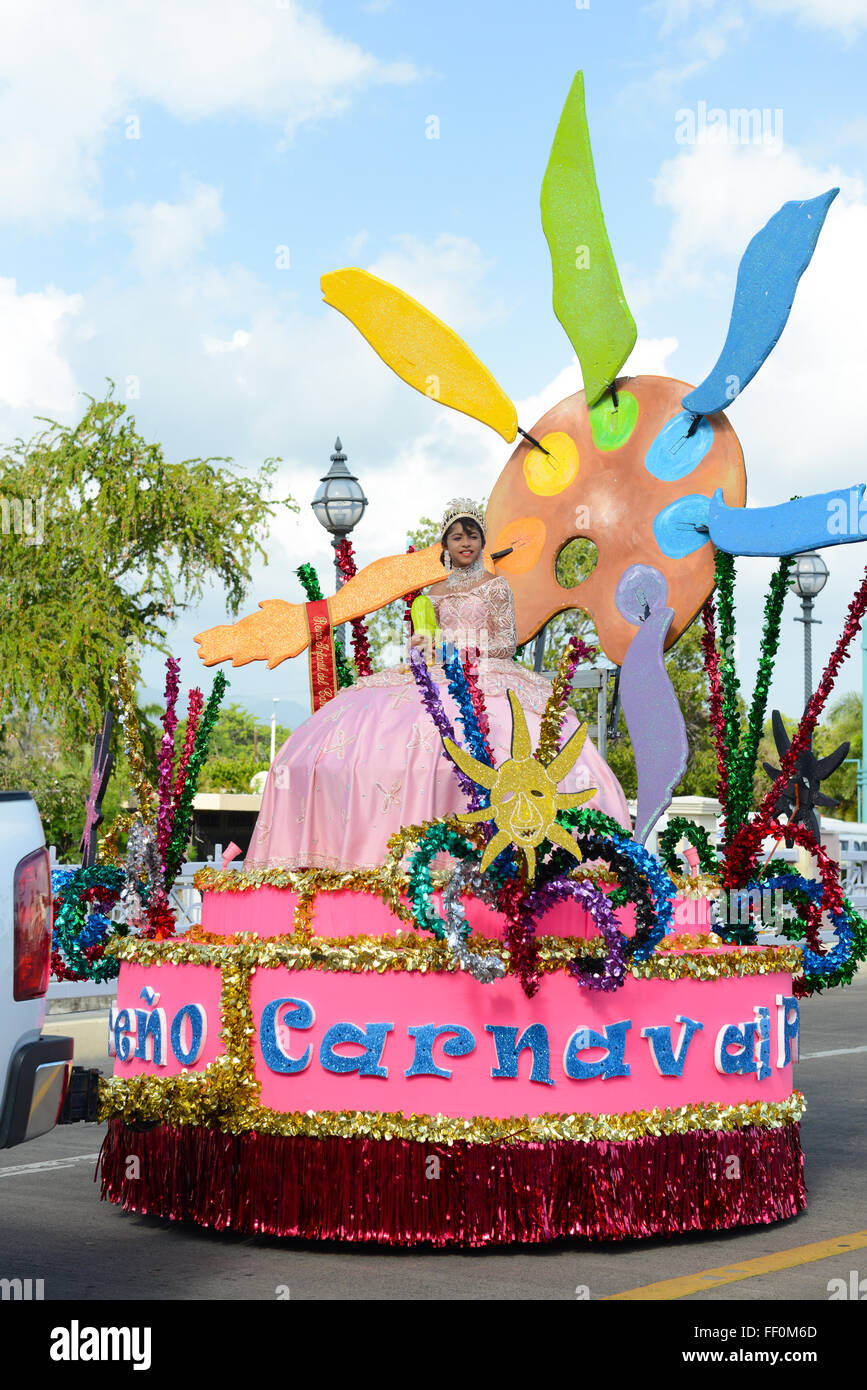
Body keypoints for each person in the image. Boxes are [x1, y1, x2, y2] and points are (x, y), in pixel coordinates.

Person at [246, 499, 631, 872]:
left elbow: (506, 641)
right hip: (439, 673)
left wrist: (462, 650)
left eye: (473, 536)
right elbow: (425, 641)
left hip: (486, 673)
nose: (466, 544)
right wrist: (425, 648)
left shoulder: (496, 587)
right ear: (445, 545)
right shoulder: (432, 594)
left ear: (482, 542)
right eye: (457, 537)